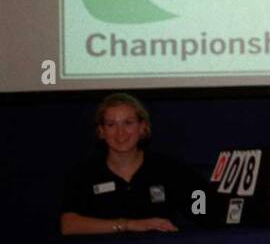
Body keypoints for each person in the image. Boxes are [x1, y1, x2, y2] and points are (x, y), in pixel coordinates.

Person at [60, 93, 210, 235]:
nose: (120, 132)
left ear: (142, 127)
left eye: (128, 123)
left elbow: (202, 205)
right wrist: (130, 225)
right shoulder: (84, 173)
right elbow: (68, 225)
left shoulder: (167, 168)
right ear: (101, 131)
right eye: (111, 124)